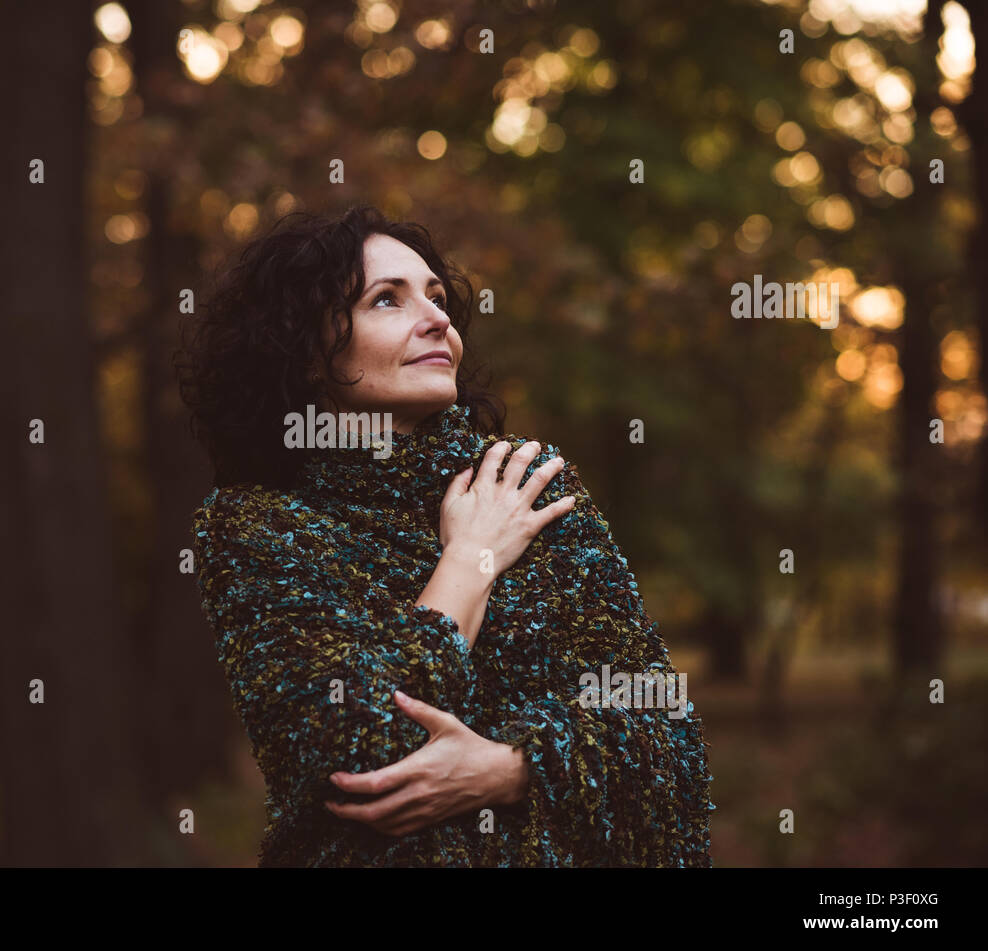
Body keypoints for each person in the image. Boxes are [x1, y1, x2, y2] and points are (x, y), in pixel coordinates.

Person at [177, 204, 714, 866]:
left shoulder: (525, 484)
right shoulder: (257, 525)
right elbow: (351, 750)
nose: (437, 319)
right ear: (306, 351)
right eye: (386, 300)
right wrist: (469, 559)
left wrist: (508, 768)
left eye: (437, 296)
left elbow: (668, 739)